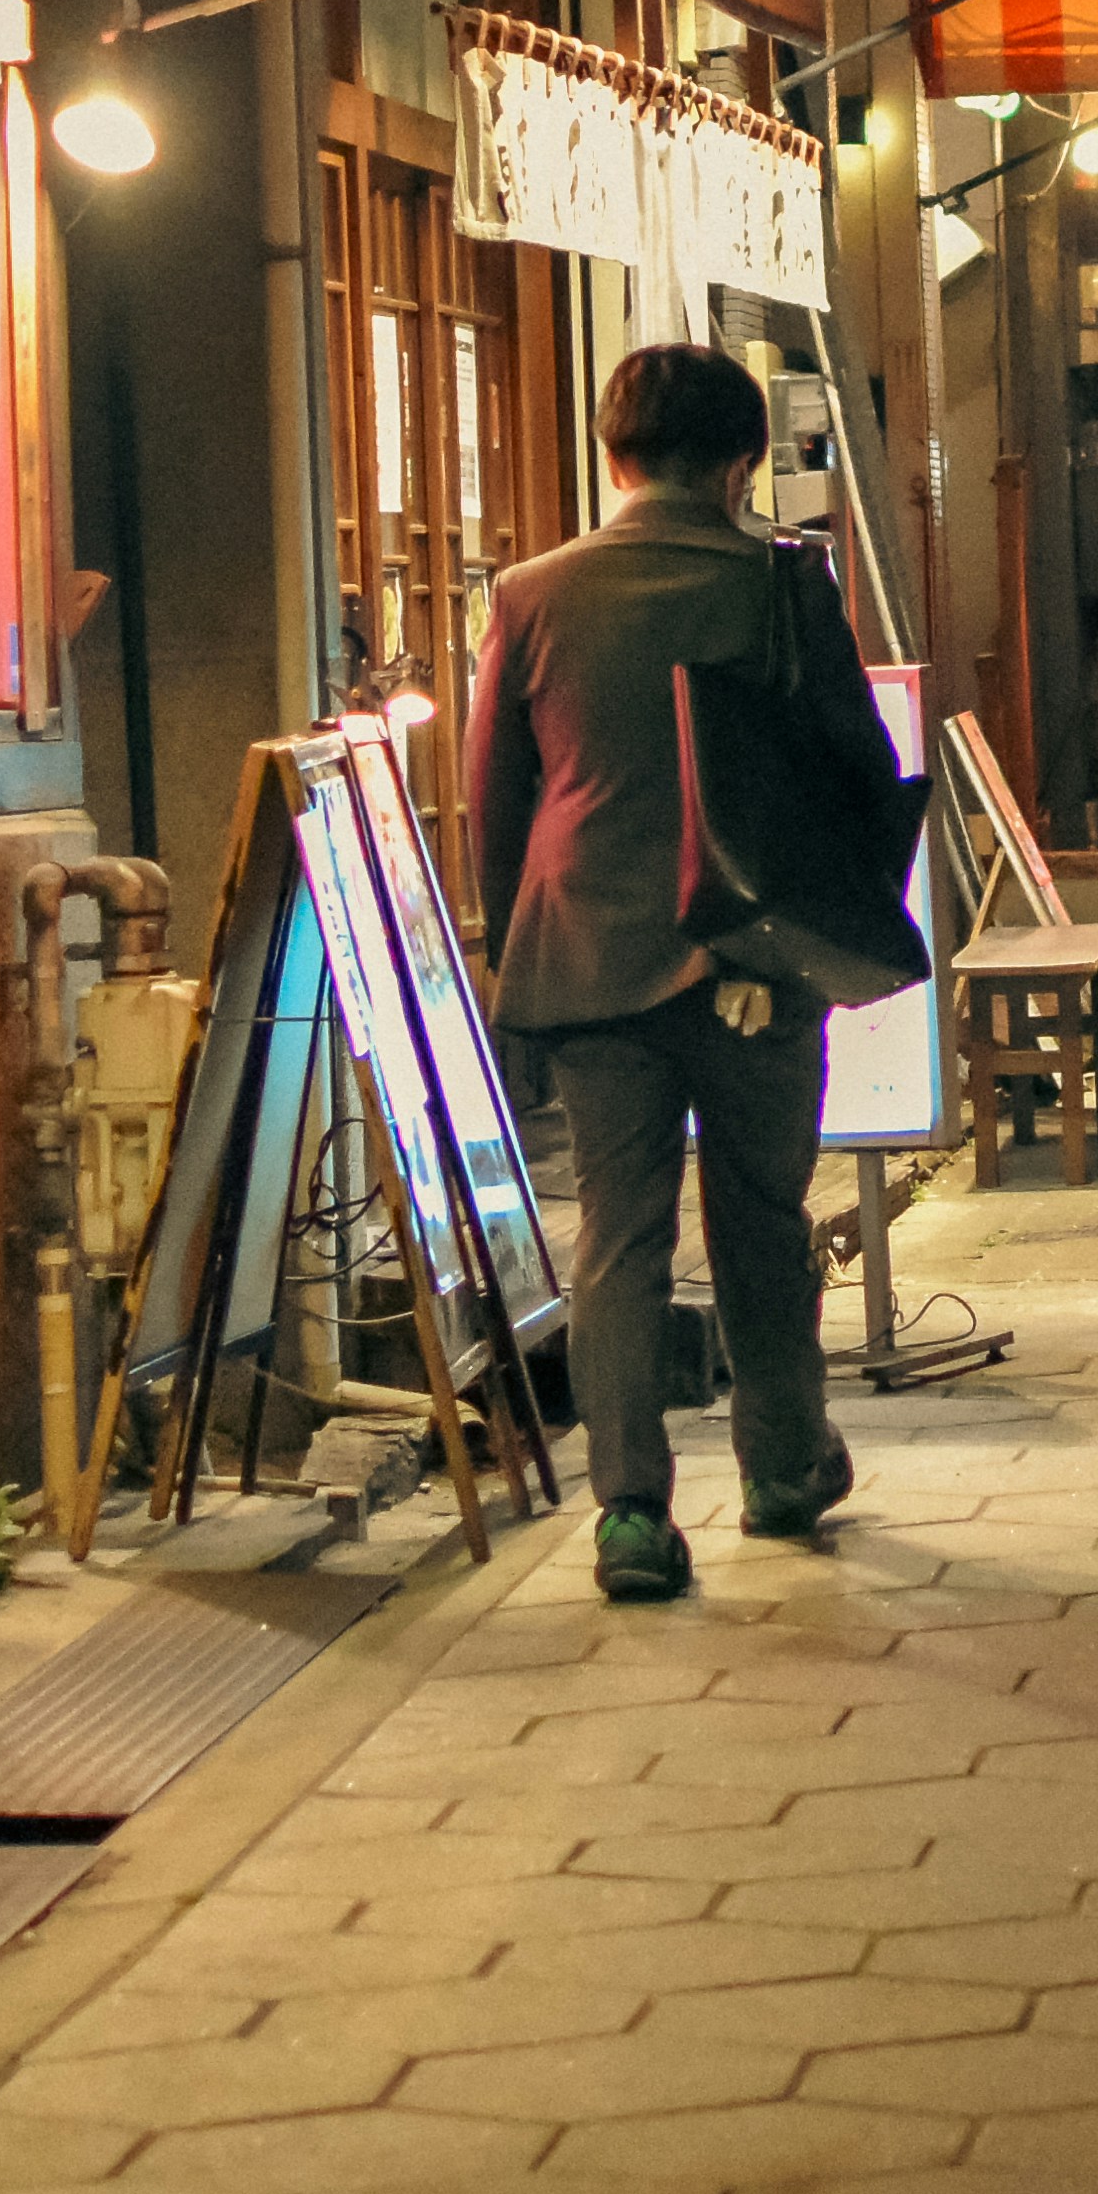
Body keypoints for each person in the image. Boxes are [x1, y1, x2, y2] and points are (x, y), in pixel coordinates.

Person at [462, 341, 852, 1599]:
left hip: (592, 959)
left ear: (609, 454)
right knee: (760, 1219)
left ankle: (630, 1514)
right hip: (758, 963)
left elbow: (494, 804)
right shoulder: (787, 585)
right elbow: (848, 771)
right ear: (742, 461)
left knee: (618, 1236)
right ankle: (784, 1467)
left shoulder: (531, 595)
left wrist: (521, 938)